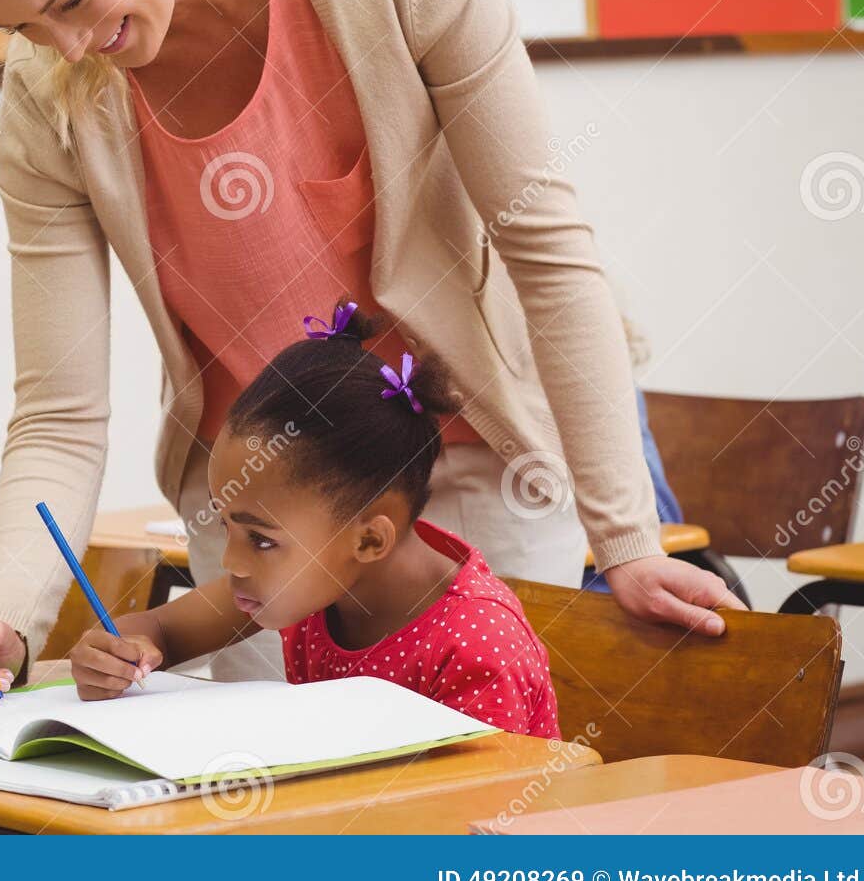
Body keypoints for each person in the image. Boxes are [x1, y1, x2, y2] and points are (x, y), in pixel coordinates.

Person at [0, 0, 741, 698]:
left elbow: (545, 248)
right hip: (258, 503)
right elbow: (60, 411)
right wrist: (7, 627)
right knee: (277, 815)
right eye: (23, 27)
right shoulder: (51, 93)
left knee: (461, 798)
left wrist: (626, 541)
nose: (65, 48)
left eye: (72, 0)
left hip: (465, 465)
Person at [70, 305, 558, 739]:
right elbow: (163, 630)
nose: (231, 562)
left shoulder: (476, 645)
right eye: (226, 526)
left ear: (369, 539)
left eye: (260, 540)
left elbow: (479, 822)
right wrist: (118, 653)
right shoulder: (319, 582)